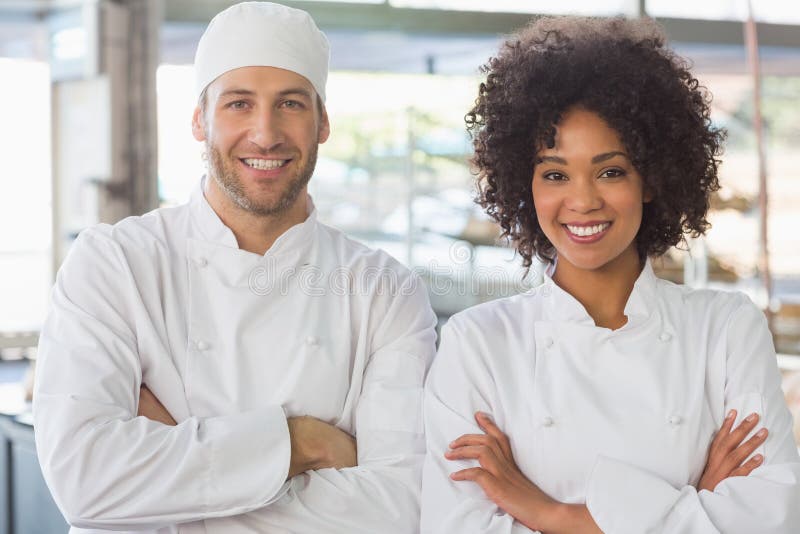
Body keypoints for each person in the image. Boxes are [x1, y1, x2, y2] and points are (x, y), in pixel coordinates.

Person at [34, 2, 436, 533]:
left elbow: (401, 506)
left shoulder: (385, 291)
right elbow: (84, 481)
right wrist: (301, 443)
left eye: (290, 104)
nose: (265, 134)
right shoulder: (115, 263)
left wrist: (170, 488)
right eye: (239, 103)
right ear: (200, 121)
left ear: (323, 124)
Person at [421, 16, 800, 534]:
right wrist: (695, 505)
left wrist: (547, 512)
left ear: (652, 178)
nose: (582, 200)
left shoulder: (726, 329)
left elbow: (770, 519)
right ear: (524, 186)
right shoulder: (478, 344)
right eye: (555, 174)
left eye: (611, 171)